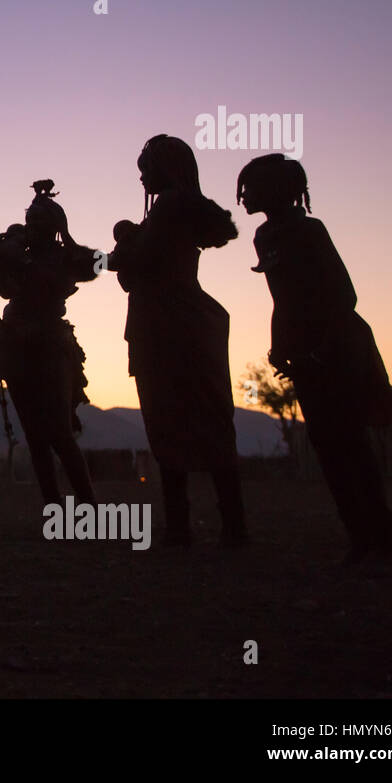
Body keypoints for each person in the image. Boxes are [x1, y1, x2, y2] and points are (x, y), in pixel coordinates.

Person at [237, 154, 392, 562]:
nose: (243, 196)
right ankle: (361, 538)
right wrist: (280, 345)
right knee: (327, 442)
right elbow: (281, 298)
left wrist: (322, 350)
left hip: (339, 345)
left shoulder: (309, 231)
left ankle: (381, 537)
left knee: (350, 441)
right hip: (306, 352)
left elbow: (344, 296)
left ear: (275, 189)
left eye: (251, 188)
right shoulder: (264, 236)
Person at [107, 135, 247, 547]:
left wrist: (125, 245)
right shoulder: (175, 210)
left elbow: (137, 264)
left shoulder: (168, 208)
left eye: (146, 167)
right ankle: (226, 525)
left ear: (165, 168)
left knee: (170, 419)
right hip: (178, 320)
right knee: (203, 420)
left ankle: (185, 526)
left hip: (167, 323)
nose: (141, 176)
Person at [0, 180, 99, 509]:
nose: (31, 227)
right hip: (18, 347)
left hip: (49, 344)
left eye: (38, 221)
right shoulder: (19, 253)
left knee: (60, 434)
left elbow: (63, 278)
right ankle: (54, 507)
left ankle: (88, 504)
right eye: (29, 221)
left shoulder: (62, 258)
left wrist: (22, 259)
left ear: (54, 227)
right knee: (34, 437)